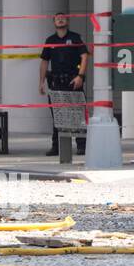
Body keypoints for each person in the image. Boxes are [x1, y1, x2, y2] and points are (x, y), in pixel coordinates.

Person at [38, 12, 89, 157]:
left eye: (63, 18)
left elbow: (84, 56)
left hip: (73, 82)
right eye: (57, 18)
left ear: (67, 21)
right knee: (57, 115)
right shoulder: (50, 40)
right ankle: (56, 146)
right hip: (56, 82)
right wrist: (41, 82)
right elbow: (44, 61)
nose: (60, 19)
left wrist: (81, 76)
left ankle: (81, 146)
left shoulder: (75, 38)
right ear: (53, 22)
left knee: (77, 114)